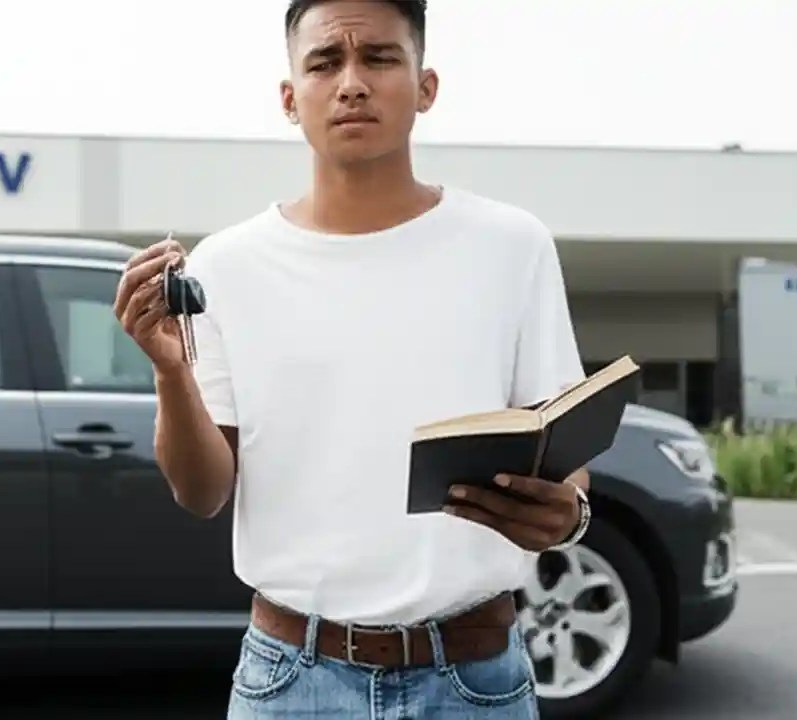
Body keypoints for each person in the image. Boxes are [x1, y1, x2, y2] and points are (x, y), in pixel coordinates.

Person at [113, 0, 591, 717]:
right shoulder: (230, 266)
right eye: (325, 62)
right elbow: (202, 492)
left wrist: (570, 513)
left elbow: (563, 448)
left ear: (426, 86)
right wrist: (170, 372)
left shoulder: (510, 246)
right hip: (291, 680)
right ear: (289, 96)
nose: (352, 82)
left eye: (380, 57)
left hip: (473, 678)